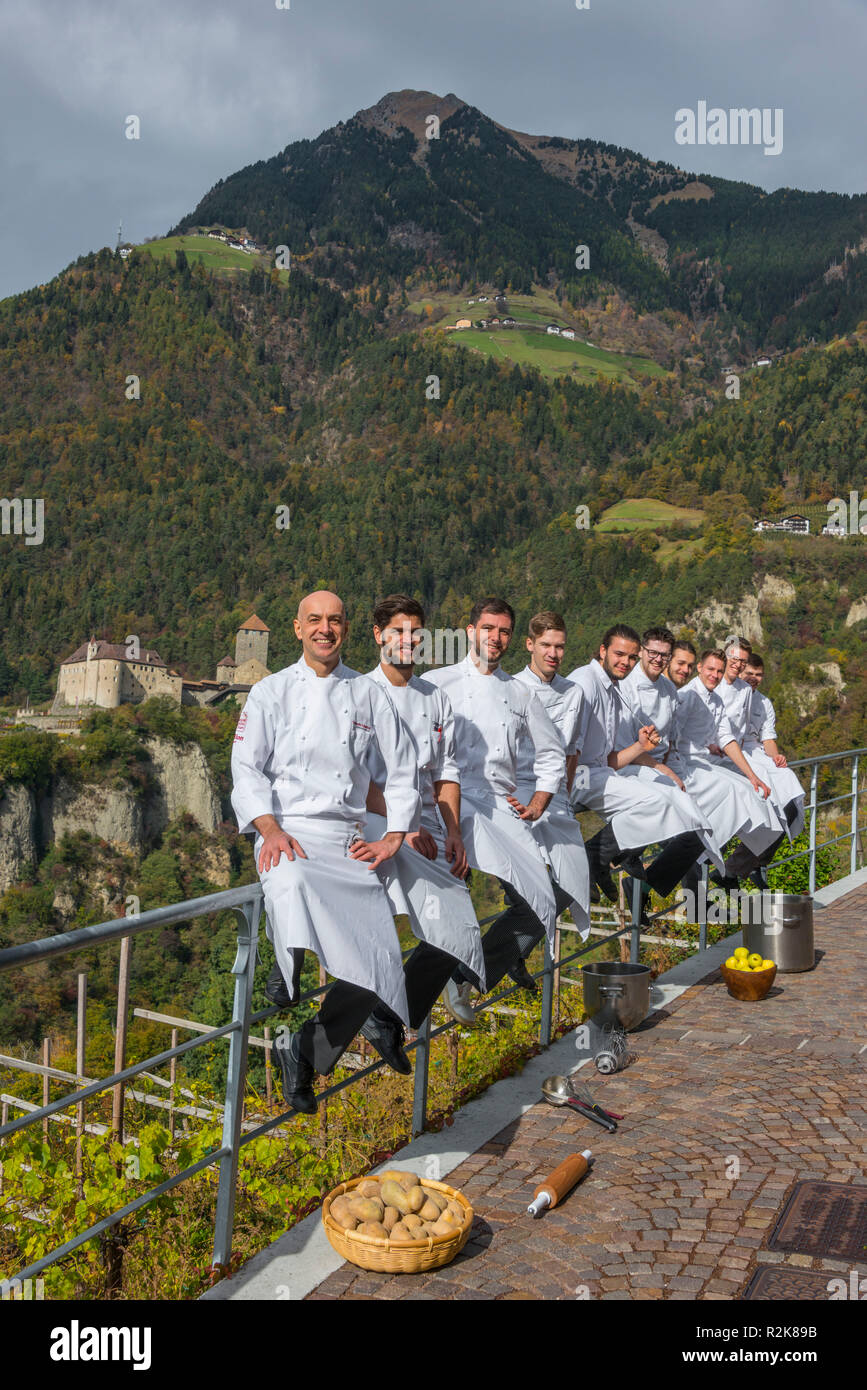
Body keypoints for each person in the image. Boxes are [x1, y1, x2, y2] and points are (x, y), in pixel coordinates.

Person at [230, 590, 420, 1114]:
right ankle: (285, 964)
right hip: (288, 830)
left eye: (335, 620)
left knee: (377, 964)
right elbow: (246, 769)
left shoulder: (368, 693)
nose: (324, 629)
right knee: (288, 878)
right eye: (315, 620)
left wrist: (394, 836)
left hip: (347, 837)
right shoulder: (269, 692)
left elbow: (403, 770)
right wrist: (268, 829)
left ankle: (303, 1052)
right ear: (297, 628)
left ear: (346, 629)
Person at [425, 597, 564, 1012]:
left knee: (542, 904)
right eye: (488, 629)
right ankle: (405, 1003)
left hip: (500, 807)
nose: (495, 638)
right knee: (451, 908)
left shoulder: (519, 692)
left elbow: (552, 752)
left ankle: (468, 975)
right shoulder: (438, 683)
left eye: (503, 631)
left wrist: (541, 796)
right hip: (445, 806)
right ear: (470, 631)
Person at [360, 594, 485, 1033]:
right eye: (397, 631)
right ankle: (376, 1019)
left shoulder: (435, 699)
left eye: (415, 632)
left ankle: (391, 1017)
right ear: (379, 636)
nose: (407, 640)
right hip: (378, 821)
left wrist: (454, 831)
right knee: (378, 931)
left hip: (429, 824)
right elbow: (358, 778)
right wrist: (403, 826)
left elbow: (445, 771)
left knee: (455, 924)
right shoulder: (359, 694)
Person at [565, 625, 710, 912]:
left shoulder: (614, 686)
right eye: (621, 655)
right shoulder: (585, 682)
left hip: (604, 769)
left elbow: (609, 756)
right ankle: (594, 860)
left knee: (690, 819)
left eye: (630, 658)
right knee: (660, 804)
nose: (627, 663)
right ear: (603, 650)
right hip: (580, 777)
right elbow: (572, 748)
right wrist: (561, 794)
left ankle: (611, 867)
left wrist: (643, 747)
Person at [615, 627, 726, 912]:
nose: (658, 659)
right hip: (632, 768)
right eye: (653, 653)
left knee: (697, 835)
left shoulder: (668, 691)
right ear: (641, 651)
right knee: (687, 826)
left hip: (661, 768)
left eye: (664, 655)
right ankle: (624, 853)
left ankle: (645, 885)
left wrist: (676, 773)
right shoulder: (626, 688)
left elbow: (671, 741)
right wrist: (663, 770)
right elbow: (622, 748)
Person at [511, 611, 591, 962]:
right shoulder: (510, 687)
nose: (553, 653)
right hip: (517, 791)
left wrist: (567, 795)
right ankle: (501, 957)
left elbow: (571, 749)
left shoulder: (574, 692)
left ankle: (514, 951)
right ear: (530, 645)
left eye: (559, 647)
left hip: (555, 795)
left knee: (570, 885)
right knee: (530, 885)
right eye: (545, 645)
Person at [674, 650, 785, 889]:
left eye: (718, 671)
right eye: (710, 669)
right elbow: (673, 741)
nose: (714, 675)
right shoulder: (687, 696)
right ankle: (714, 863)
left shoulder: (715, 700)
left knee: (753, 795)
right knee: (735, 796)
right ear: (700, 668)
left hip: (705, 763)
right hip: (685, 767)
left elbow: (726, 738)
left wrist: (753, 777)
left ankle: (731, 868)